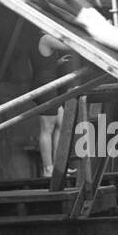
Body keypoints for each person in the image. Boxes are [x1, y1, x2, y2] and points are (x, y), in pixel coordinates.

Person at [31, 32, 76, 178]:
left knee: (61, 123)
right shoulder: (45, 38)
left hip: (49, 84)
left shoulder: (41, 40)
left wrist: (57, 63)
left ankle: (59, 166)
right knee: (47, 128)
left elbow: (42, 63)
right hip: (45, 86)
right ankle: (48, 169)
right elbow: (69, 45)